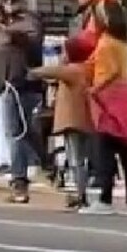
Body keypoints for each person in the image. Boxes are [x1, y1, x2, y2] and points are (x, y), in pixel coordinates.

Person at [83, 2, 127, 215]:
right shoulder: (123, 42)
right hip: (123, 96)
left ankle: (105, 199)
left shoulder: (106, 42)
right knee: (124, 151)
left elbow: (111, 71)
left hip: (108, 99)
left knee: (105, 150)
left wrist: (93, 89)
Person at [0, 0, 44, 203]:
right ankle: (42, 166)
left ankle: (20, 181)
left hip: (22, 86)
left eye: (13, 0)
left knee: (19, 133)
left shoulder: (28, 22)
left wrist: (9, 33)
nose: (9, 4)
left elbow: (31, 36)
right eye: (6, 0)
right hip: (8, 86)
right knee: (22, 132)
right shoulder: (6, 24)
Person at [27, 37, 95, 211]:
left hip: (73, 121)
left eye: (65, 51)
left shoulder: (73, 70)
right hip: (86, 120)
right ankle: (80, 193)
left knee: (76, 160)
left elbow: (50, 71)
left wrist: (30, 70)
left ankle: (81, 195)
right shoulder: (87, 68)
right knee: (80, 158)